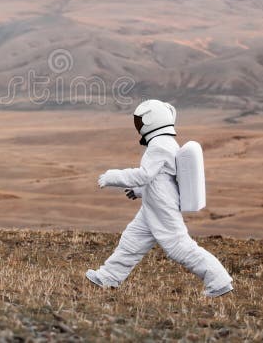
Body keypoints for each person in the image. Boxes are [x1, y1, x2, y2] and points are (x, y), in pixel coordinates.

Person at [85, 99, 233, 297]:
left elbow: (145, 175)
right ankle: (109, 276)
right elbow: (160, 178)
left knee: (178, 246)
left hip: (161, 205)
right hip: (154, 203)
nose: (137, 126)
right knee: (132, 240)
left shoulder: (159, 146)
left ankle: (219, 281)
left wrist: (113, 177)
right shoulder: (163, 142)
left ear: (151, 120)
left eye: (140, 121)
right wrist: (138, 191)